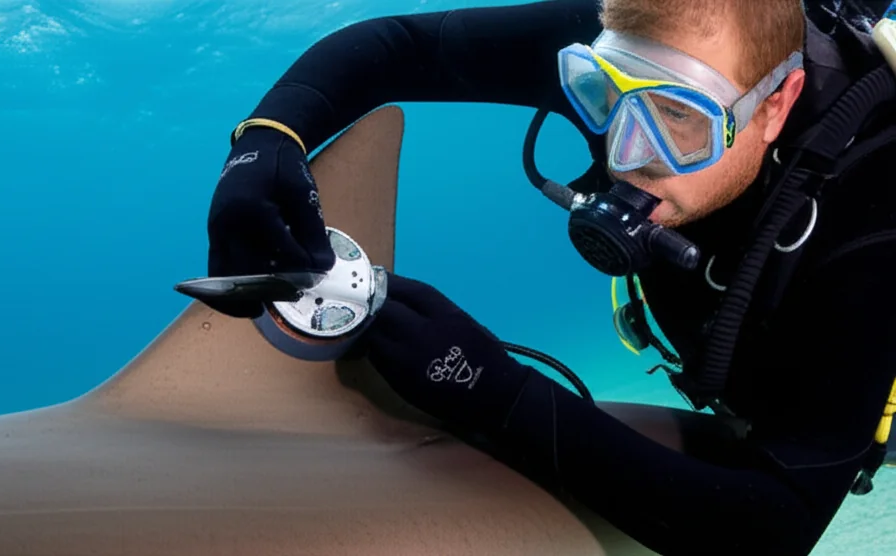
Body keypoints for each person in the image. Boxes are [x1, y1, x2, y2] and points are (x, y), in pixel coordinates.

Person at [204, 1, 896, 554]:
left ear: (776, 104)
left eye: (677, 119)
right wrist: (268, 137)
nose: (625, 154)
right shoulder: (637, 46)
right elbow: (399, 45)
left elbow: (777, 526)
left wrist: (496, 395)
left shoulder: (875, 211)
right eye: (599, 95)